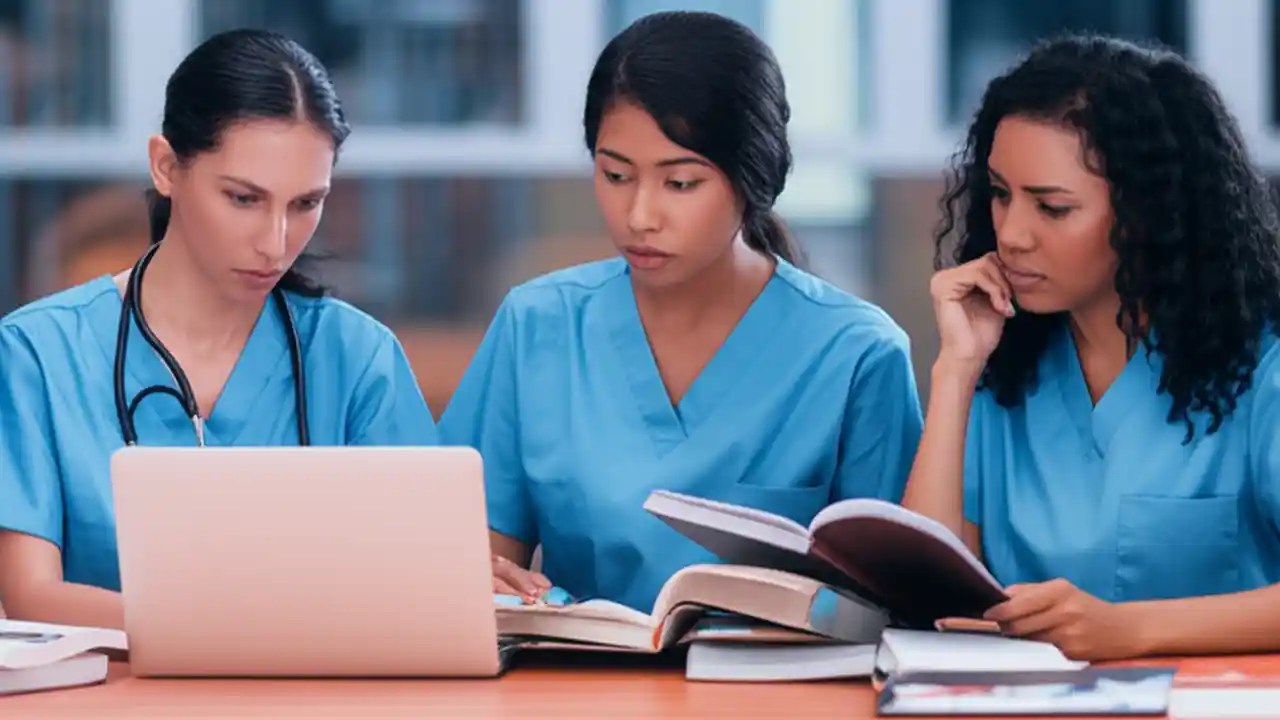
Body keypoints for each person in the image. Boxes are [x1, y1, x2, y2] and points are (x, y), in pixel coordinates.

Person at [439, 11, 923, 612]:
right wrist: (483, 582)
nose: (640, 215)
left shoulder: (857, 353)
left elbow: (891, 603)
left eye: (681, 184)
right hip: (574, 688)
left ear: (753, 178)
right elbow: (474, 568)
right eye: (616, 175)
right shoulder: (538, 325)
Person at [0, 29, 437, 629]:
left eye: (307, 204)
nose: (276, 242)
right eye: (242, 198)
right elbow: (32, 596)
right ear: (166, 167)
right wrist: (238, 628)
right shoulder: (39, 353)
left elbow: (420, 582)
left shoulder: (357, 358)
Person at [903, 34, 1280, 660]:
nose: (1012, 234)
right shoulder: (1002, 368)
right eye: (999, 194)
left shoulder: (1262, 369)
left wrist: (1132, 630)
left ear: (1149, 216)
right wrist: (956, 371)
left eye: (1052, 208)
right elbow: (923, 594)